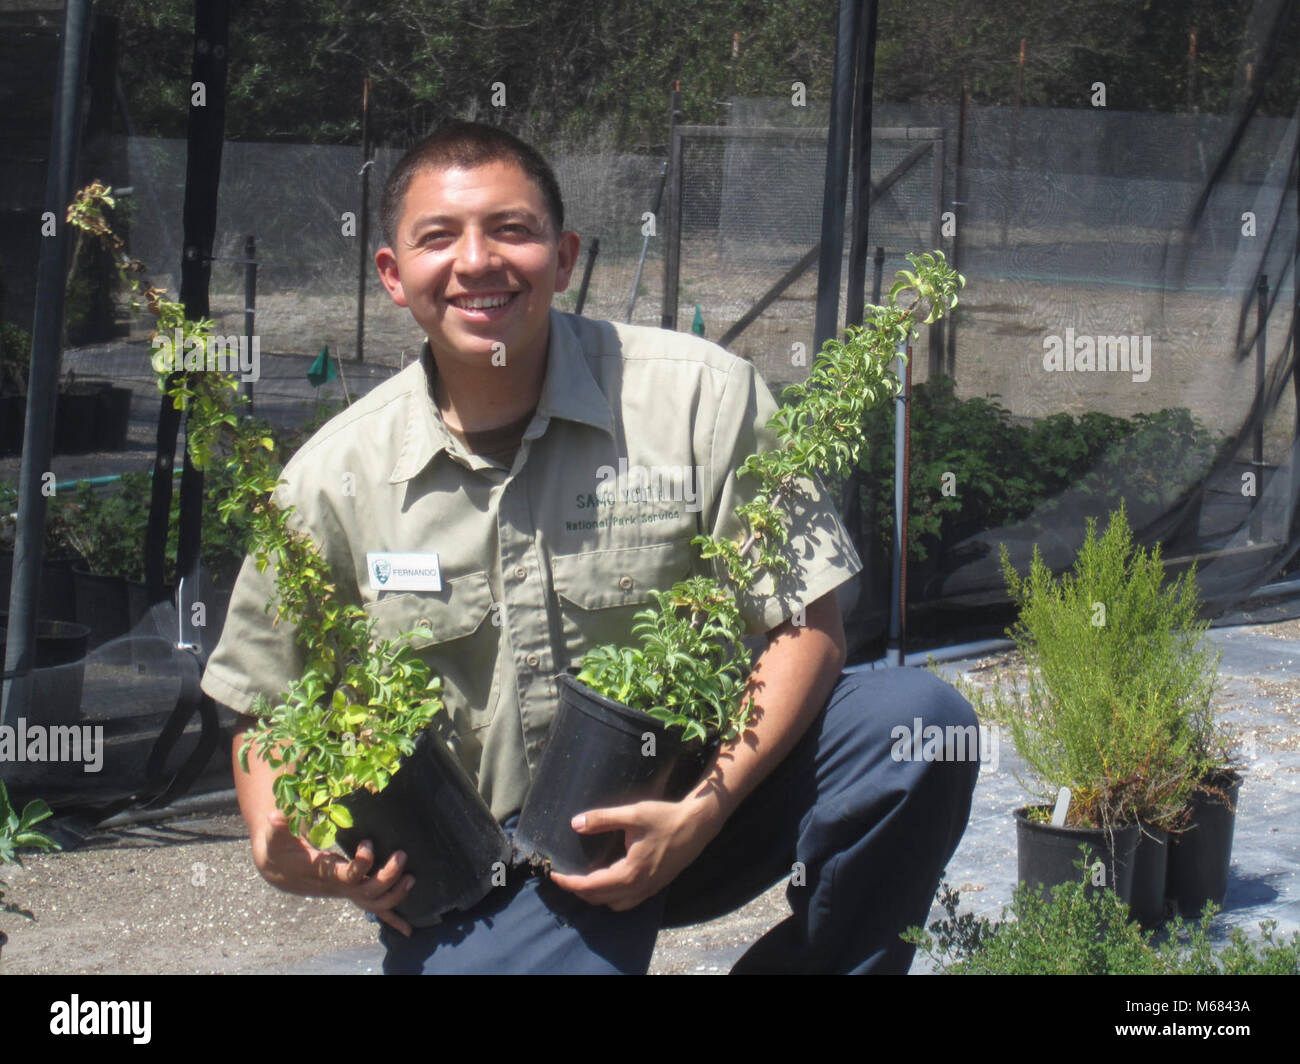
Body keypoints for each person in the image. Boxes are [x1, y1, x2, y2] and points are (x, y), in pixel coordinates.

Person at [201, 119, 980, 974]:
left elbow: (810, 622)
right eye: (437, 238)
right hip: (494, 866)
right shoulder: (330, 482)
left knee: (918, 728)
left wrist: (701, 814)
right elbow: (263, 698)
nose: (477, 262)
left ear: (564, 257)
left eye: (512, 230)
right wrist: (273, 833)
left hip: (708, 795)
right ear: (392, 273)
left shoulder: (697, 399)